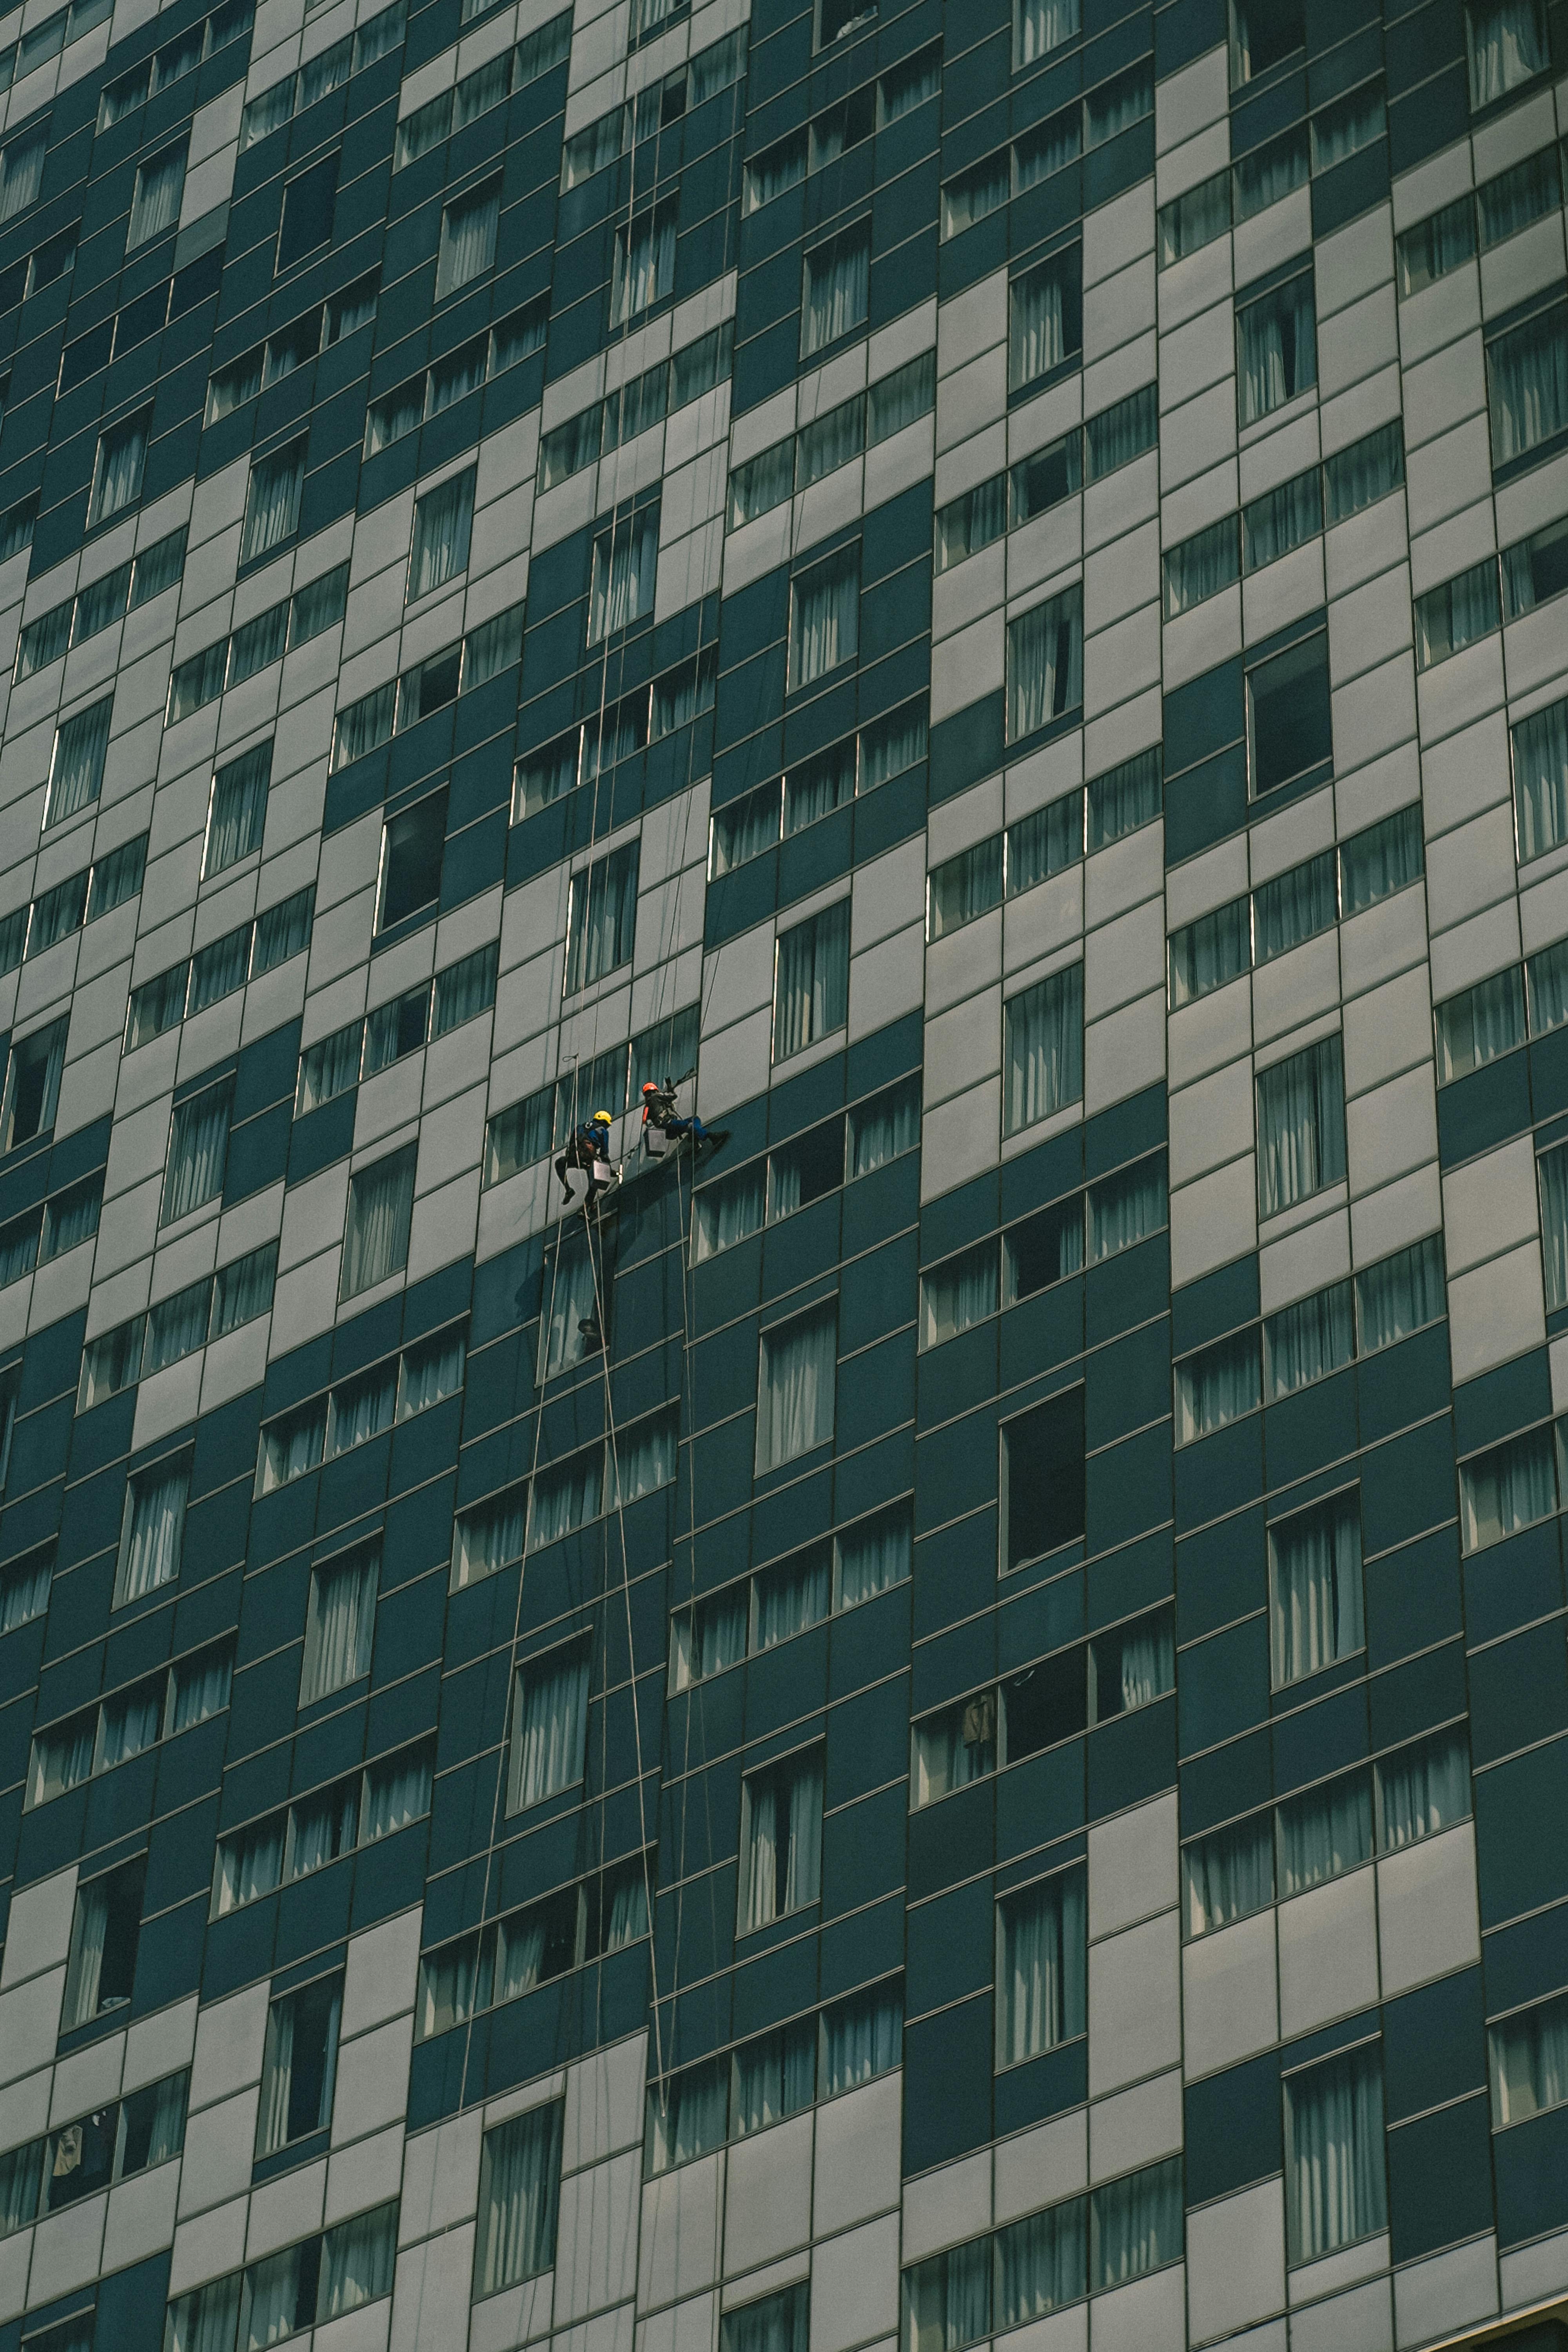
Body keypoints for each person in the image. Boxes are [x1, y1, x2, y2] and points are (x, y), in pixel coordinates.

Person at [639, 1079, 727, 1158]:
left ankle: (695, 1140)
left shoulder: (648, 1107)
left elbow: (645, 1120)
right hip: (669, 1124)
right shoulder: (657, 1097)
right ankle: (711, 1136)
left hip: (668, 1132)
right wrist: (670, 1090)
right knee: (691, 1124)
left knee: (693, 1120)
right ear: (655, 1091)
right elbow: (673, 1096)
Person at [556, 1110, 616, 1211]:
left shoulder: (580, 1127)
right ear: (603, 1122)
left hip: (576, 1157)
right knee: (595, 1183)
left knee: (559, 1164)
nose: (607, 1128)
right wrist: (608, 1169)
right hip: (589, 1158)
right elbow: (604, 1154)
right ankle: (586, 1208)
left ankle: (568, 1190)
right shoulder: (603, 1131)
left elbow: (571, 1144)